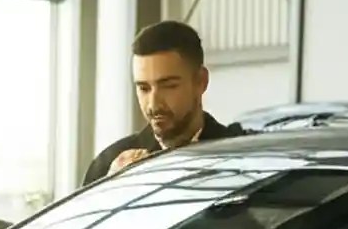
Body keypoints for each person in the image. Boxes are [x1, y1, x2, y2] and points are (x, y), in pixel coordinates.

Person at [82, 20, 245, 186]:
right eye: (144, 88)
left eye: (169, 86)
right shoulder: (108, 166)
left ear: (201, 81)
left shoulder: (245, 158)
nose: (153, 104)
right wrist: (114, 189)